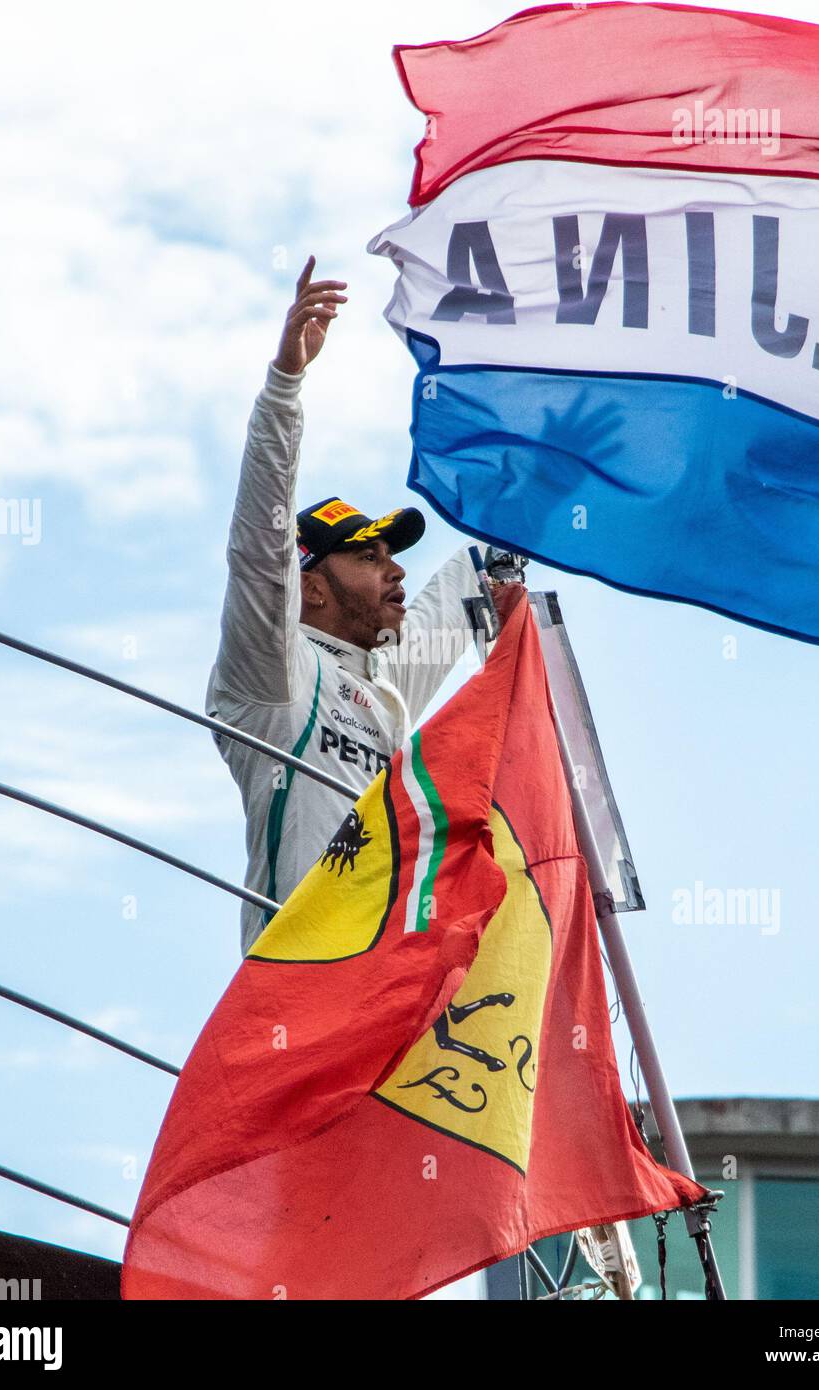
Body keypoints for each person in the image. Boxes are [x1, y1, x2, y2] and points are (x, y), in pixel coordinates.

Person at [206, 256, 524, 956]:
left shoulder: (383, 687)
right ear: (311, 585)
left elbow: (476, 571)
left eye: (391, 555)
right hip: (298, 979)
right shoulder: (272, 673)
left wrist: (545, 468)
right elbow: (259, 543)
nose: (394, 571)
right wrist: (285, 385)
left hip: (381, 988)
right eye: (368, 557)